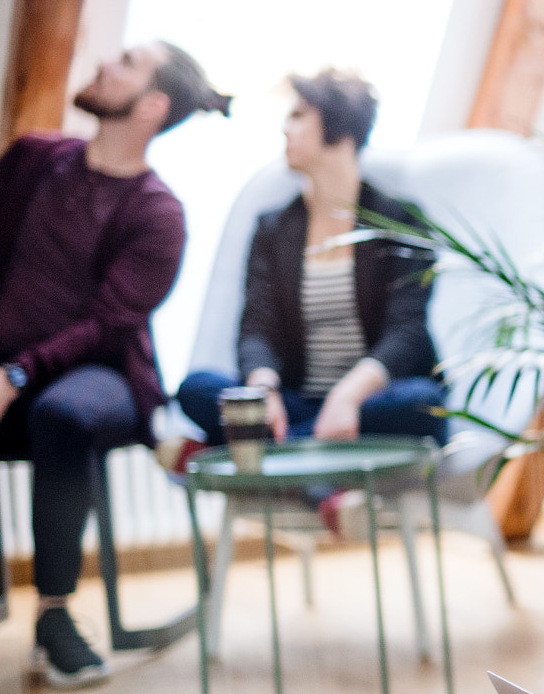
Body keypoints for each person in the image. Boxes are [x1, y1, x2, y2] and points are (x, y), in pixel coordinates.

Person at [0, 41, 230, 687]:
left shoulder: (158, 213)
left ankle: (54, 615)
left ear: (152, 105)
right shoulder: (32, 158)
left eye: (126, 62)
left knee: (63, 414)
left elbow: (104, 327)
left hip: (98, 378)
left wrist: (9, 379)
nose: (103, 64)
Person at [176, 69, 443, 459]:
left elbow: (408, 332)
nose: (285, 129)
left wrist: (347, 396)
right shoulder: (272, 228)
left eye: (299, 116)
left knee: (423, 402)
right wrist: (264, 391)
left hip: (370, 399)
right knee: (196, 388)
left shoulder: (401, 221)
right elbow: (256, 327)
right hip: (296, 401)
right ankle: (312, 457)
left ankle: (244, 452)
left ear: (341, 130)